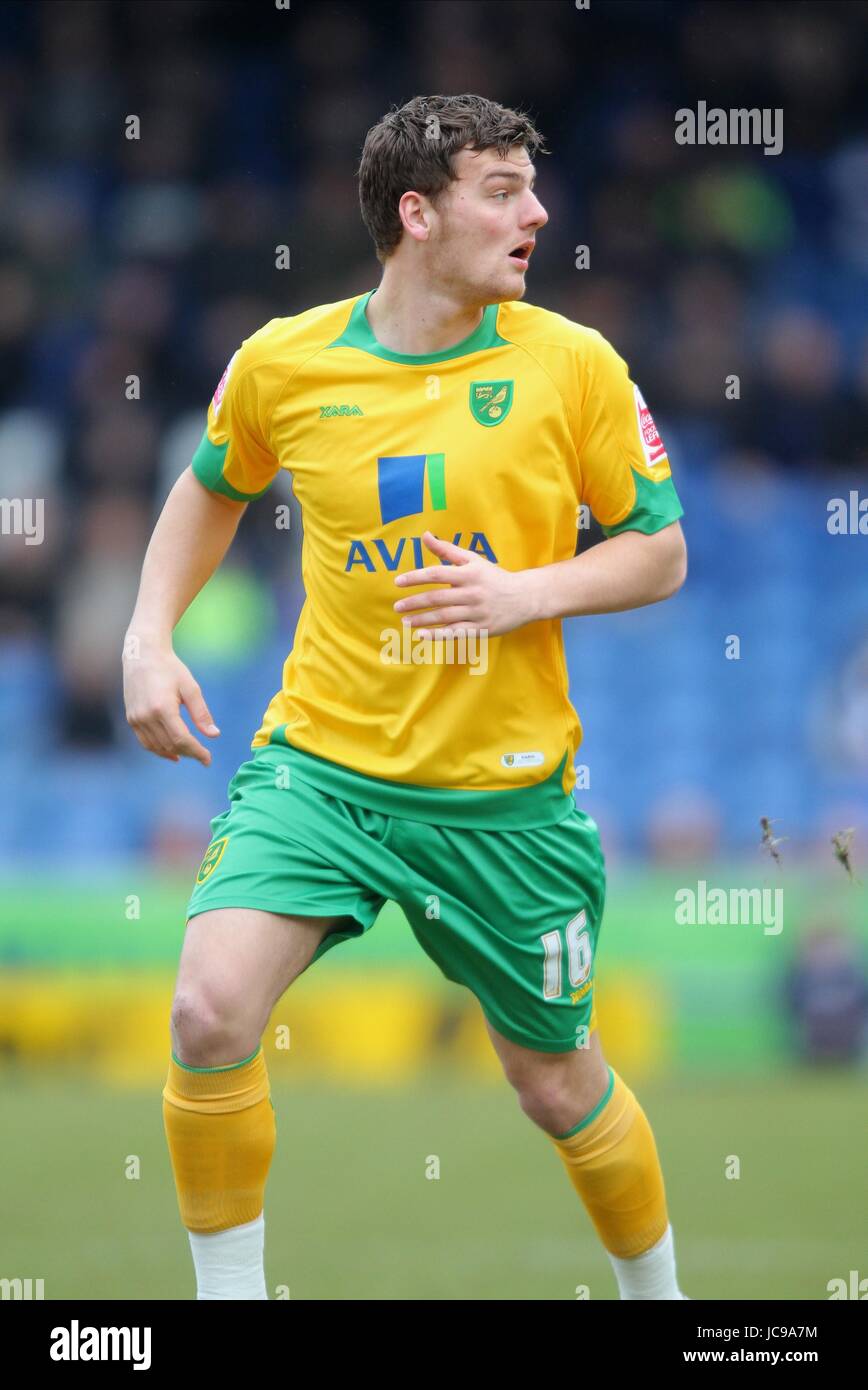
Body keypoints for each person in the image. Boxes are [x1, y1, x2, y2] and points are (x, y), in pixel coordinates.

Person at [123, 93, 689, 1301]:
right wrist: (145, 633)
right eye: (501, 189)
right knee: (208, 1012)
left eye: (532, 187)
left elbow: (658, 549)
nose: (536, 211)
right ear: (417, 214)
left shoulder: (571, 363)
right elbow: (211, 484)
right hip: (322, 770)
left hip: (504, 801)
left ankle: (665, 1306)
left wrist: (523, 593)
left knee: (555, 1083)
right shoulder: (285, 360)